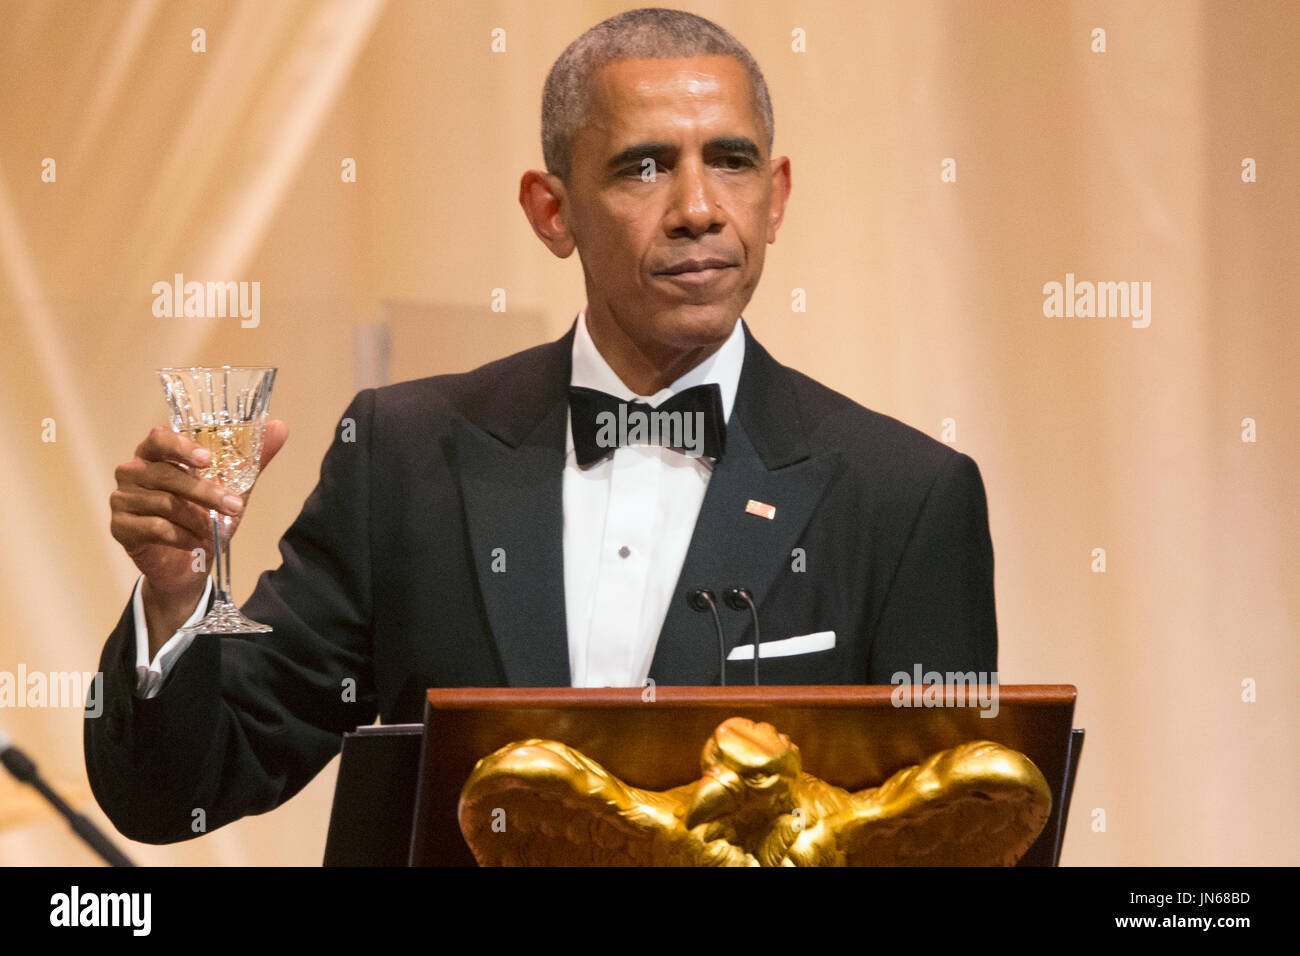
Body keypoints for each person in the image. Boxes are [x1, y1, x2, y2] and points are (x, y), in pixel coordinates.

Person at [87, 8, 996, 844]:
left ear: (777, 194)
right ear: (550, 210)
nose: (698, 209)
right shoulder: (405, 457)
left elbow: (951, 832)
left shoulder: (905, 497)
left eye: (732, 160)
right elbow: (179, 794)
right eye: (643, 166)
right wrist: (180, 600)